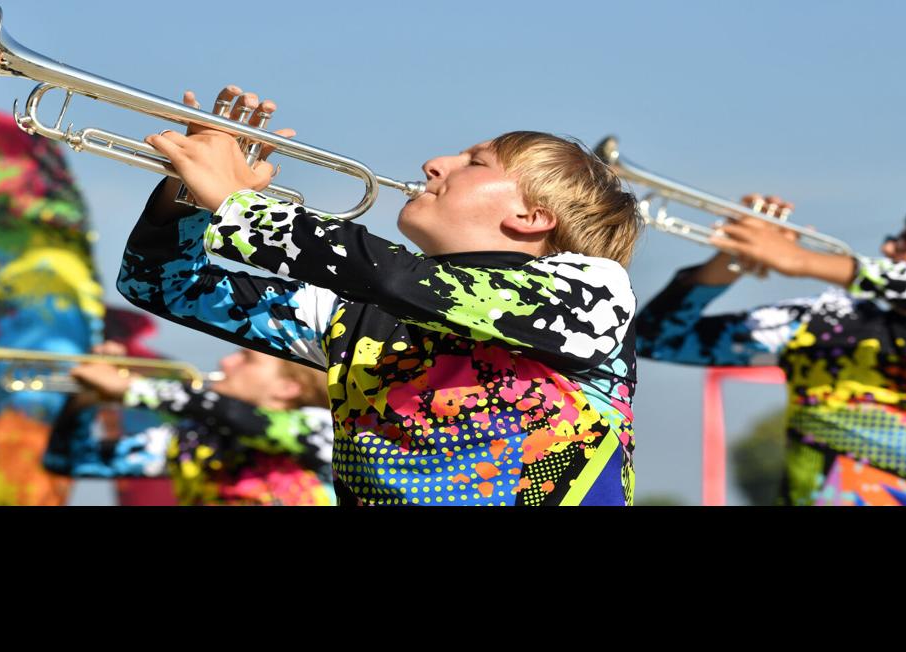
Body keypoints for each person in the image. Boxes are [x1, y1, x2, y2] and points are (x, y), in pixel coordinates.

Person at [119, 86, 642, 506]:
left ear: (531, 217)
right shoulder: (350, 315)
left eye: (475, 163)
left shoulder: (593, 293)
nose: (434, 163)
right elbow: (162, 284)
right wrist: (188, 193)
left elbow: (399, 280)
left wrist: (236, 203)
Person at [636, 195, 906, 506]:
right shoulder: (827, 321)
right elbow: (655, 339)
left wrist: (802, 260)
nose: (889, 247)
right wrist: (731, 259)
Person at [45, 342, 334, 505]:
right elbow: (68, 461)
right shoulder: (190, 439)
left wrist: (133, 388)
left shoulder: (325, 430)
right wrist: (84, 401)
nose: (226, 362)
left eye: (247, 358)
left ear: (288, 387)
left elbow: (247, 422)